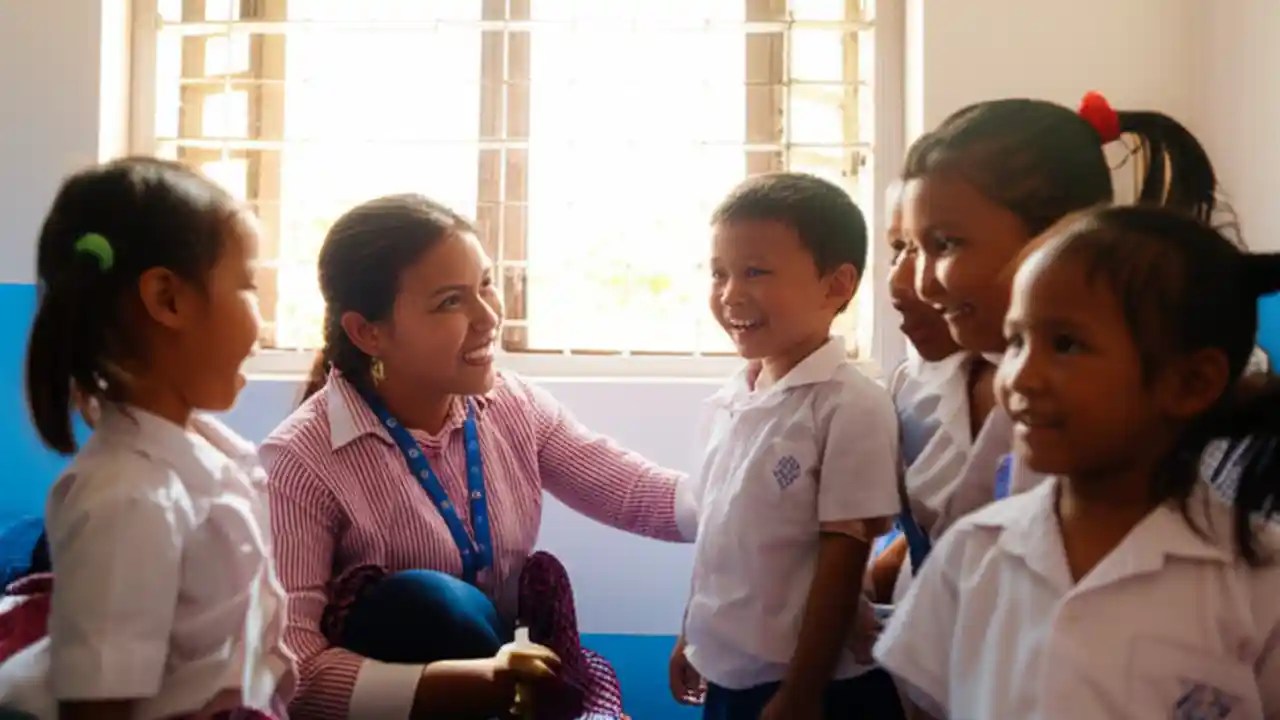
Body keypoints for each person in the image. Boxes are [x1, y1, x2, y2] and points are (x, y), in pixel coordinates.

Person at [262, 194, 697, 720]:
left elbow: (636, 493)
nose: (489, 317)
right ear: (367, 332)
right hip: (411, 709)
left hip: (507, 691)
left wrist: (772, 501)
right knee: (425, 602)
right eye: (450, 301)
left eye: (485, 285)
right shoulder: (297, 463)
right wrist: (454, 686)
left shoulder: (512, 406)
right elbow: (292, 671)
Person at [875, 206, 1280, 718]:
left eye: (1065, 345)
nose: (1021, 377)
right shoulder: (974, 551)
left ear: (1190, 383)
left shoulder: (1257, 579)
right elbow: (926, 704)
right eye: (1017, 341)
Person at [1, 158, 295, 718]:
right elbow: (101, 706)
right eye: (248, 285)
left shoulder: (206, 455)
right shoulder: (127, 497)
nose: (264, 315)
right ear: (169, 300)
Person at [901, 91, 1223, 536]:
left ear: (1056, 236)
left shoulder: (1100, 417)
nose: (923, 283)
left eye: (947, 244)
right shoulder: (965, 373)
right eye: (913, 249)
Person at [668, 173, 903, 720]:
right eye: (719, 273)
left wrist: (802, 690)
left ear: (835, 285)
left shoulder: (850, 405)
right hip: (733, 675)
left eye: (755, 272)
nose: (730, 294)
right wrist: (691, 634)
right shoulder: (730, 402)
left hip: (817, 687)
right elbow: (717, 542)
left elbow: (843, 561)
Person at [867, 181, 974, 603]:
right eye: (901, 249)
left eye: (943, 246)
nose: (901, 283)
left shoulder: (1043, 410)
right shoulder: (907, 381)